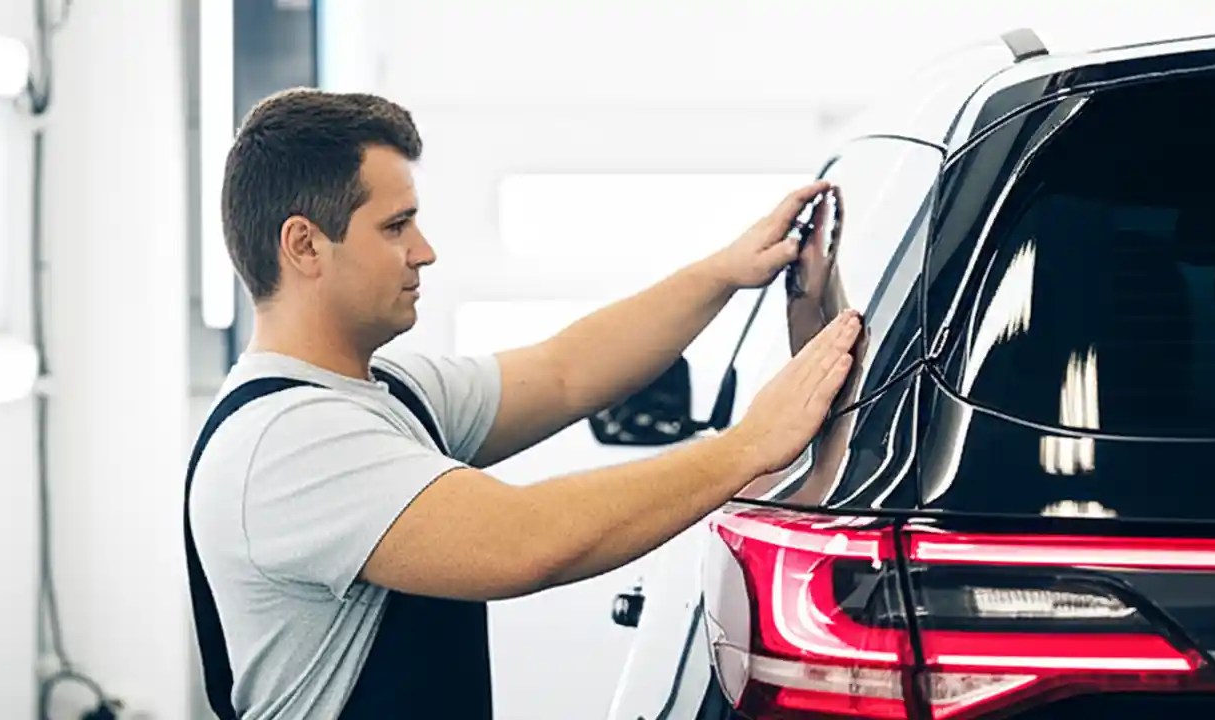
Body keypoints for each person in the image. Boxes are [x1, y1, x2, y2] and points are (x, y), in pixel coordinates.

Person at [184, 88, 860, 720]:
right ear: (305, 246)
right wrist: (747, 448)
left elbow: (566, 371)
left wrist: (723, 272)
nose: (424, 251)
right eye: (395, 227)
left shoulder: (388, 395)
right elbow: (527, 541)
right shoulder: (287, 444)